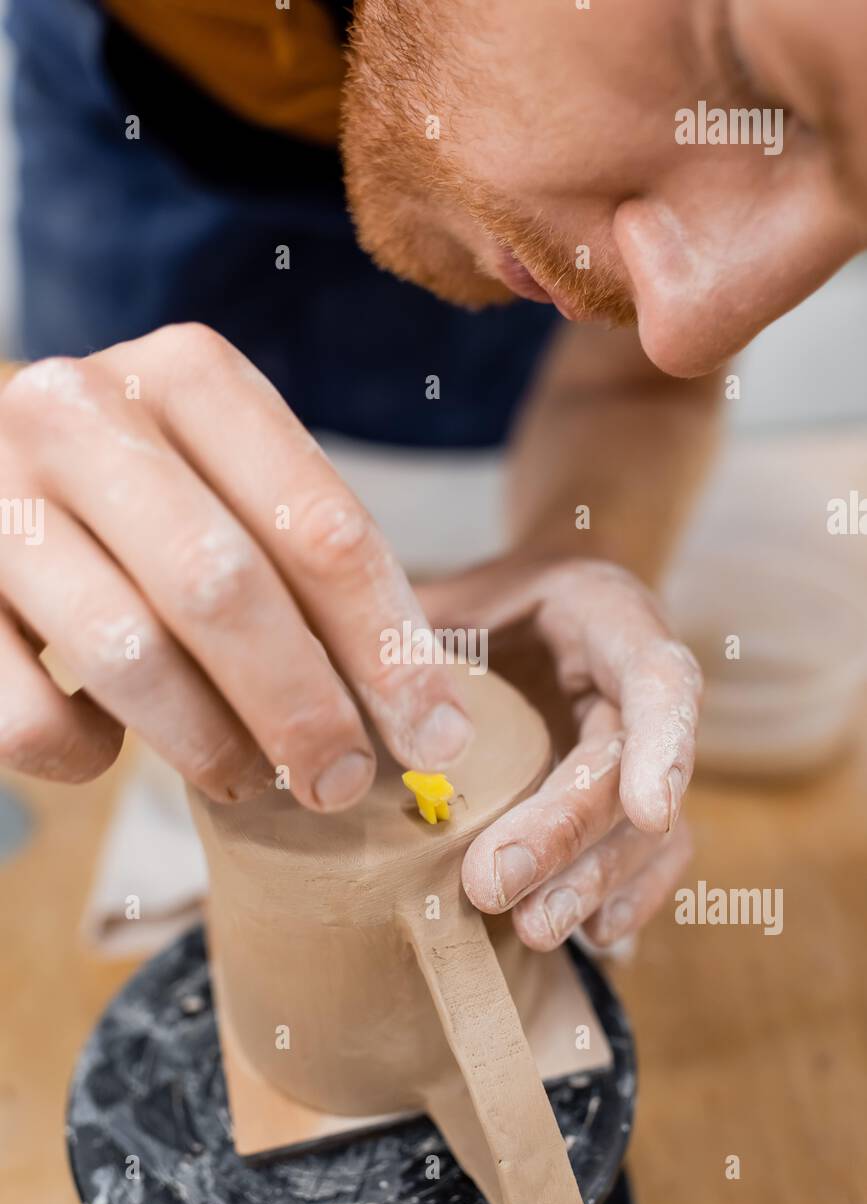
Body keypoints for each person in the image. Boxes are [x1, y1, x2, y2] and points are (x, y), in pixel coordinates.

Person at [0, 0, 863, 953]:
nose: (690, 326)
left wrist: (578, 561)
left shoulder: (617, 216)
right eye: (748, 79)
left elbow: (637, 384)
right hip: (160, 109)